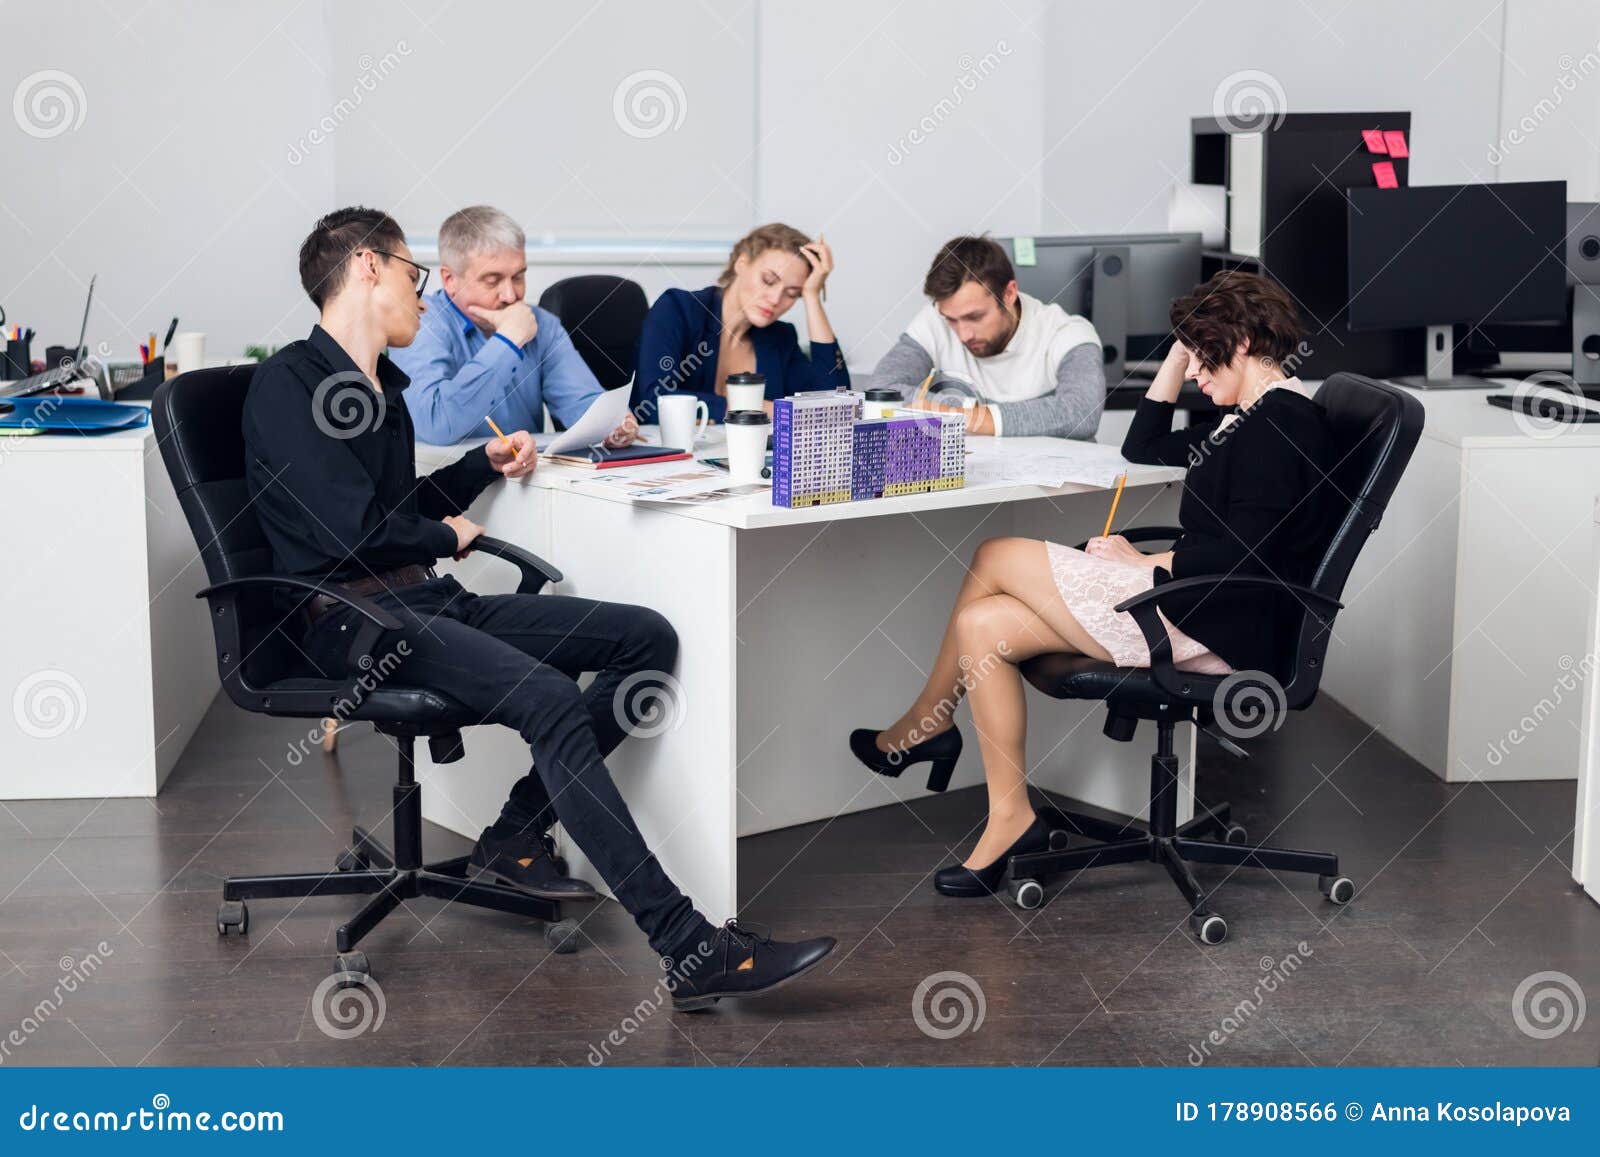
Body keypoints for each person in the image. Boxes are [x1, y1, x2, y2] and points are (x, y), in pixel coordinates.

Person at [244, 207, 833, 1008]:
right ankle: (688, 947)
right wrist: (441, 535)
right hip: (352, 624)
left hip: (421, 601)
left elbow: (393, 506)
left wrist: (473, 469)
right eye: (415, 276)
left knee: (643, 639)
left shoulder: (380, 385)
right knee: (552, 701)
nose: (422, 297)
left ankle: (516, 832)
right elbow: (346, 534)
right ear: (367, 267)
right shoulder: (288, 384)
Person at [850, 271, 1337, 895]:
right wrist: (1183, 348)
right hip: (1198, 603)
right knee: (982, 625)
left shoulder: (1279, 428)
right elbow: (1144, 445)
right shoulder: (1250, 417)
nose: (1190, 373)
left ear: (1241, 342)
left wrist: (1143, 565)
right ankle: (1009, 816)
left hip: (1213, 624)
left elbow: (1249, 559)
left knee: (997, 553)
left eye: (1200, 355)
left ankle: (927, 723)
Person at [389, 205, 637, 448]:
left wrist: (613, 423)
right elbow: (436, 424)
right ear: (450, 280)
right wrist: (508, 340)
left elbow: (582, 404)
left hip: (524, 478)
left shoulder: (541, 324)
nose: (511, 295)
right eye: (492, 280)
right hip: (449, 480)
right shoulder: (421, 322)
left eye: (518, 277)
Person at [874, 235, 1104, 438]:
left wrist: (958, 415)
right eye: (951, 320)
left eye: (975, 317)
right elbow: (881, 390)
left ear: (1009, 294)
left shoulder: (1068, 333)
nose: (963, 334)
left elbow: (1081, 413)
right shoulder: (934, 320)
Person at [632, 223, 847, 424]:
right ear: (741, 264)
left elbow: (835, 409)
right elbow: (653, 402)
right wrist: (761, 409)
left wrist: (812, 297)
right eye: (768, 281)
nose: (775, 298)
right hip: (671, 459)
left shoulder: (781, 337)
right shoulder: (678, 309)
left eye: (792, 293)